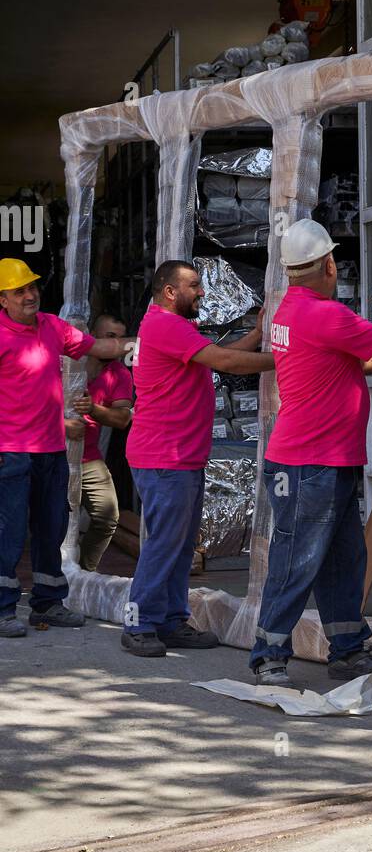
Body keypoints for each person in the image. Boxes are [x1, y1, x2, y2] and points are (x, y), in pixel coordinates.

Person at [250, 219, 372, 686]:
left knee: (341, 558)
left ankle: (348, 648)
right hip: (311, 461)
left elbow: (354, 363)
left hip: (320, 459)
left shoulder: (290, 312)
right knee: (298, 558)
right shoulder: (327, 316)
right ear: (329, 265)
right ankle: (268, 653)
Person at [121, 260, 274, 658]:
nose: (202, 292)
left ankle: (171, 620)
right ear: (170, 291)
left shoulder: (176, 328)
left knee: (180, 545)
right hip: (163, 457)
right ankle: (139, 623)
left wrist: (257, 335)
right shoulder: (164, 325)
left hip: (179, 457)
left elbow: (216, 354)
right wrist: (287, 360)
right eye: (194, 286)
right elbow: (225, 363)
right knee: (165, 544)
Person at [0, 259, 131, 638]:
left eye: (32, 287)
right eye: (19, 291)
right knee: (8, 533)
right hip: (10, 450)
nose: (29, 295)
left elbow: (98, 345)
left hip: (50, 449)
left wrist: (139, 342)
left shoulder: (52, 327)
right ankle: (4, 609)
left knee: (50, 527)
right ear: (3, 300)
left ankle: (48, 603)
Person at [69, 313, 133, 571]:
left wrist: (92, 409)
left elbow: (121, 419)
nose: (118, 345)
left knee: (107, 518)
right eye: (110, 338)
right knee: (49, 520)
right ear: (92, 338)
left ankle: (84, 572)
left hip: (88, 455)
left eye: (121, 339)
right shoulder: (66, 363)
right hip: (49, 448)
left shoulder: (119, 374)